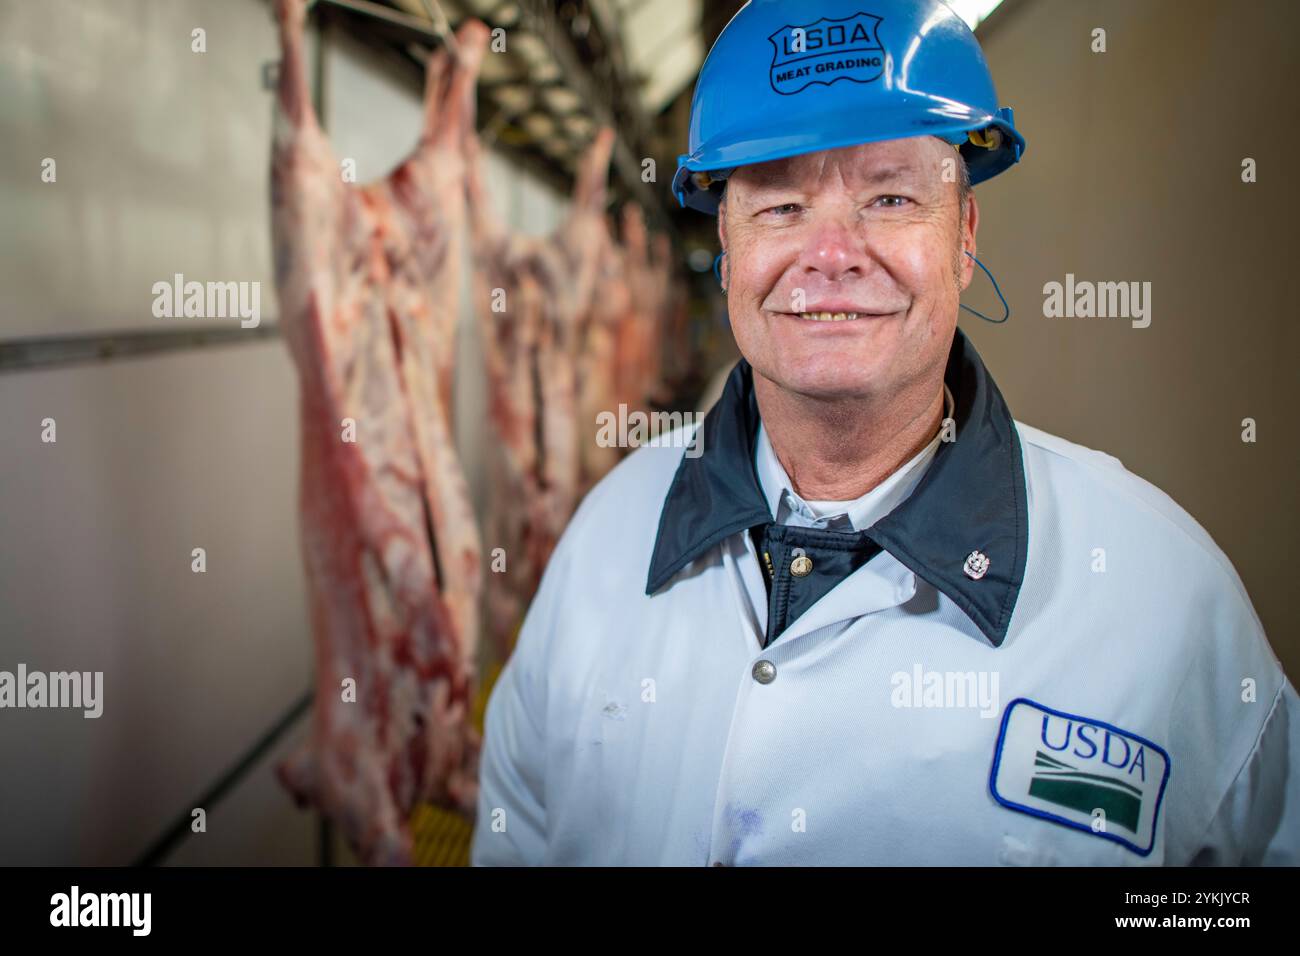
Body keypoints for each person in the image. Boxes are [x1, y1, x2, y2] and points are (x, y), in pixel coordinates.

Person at [471, 0, 1298, 865]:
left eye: (892, 196)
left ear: (964, 238)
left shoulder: (1161, 594)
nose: (832, 254)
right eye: (781, 205)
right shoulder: (606, 536)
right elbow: (517, 830)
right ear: (726, 239)